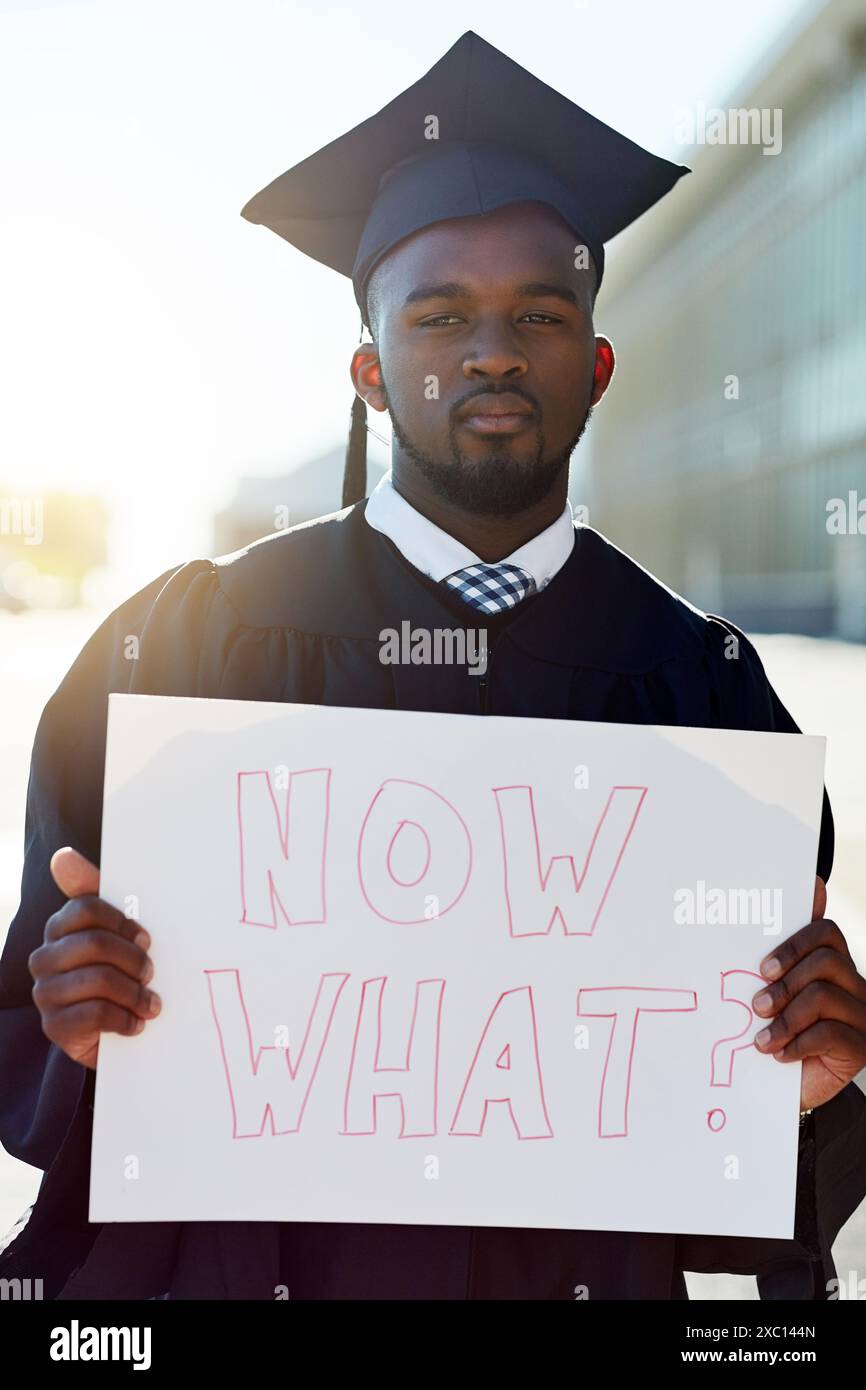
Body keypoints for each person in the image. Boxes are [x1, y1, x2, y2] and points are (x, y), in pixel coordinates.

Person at [1, 30, 865, 1301]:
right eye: (440, 314)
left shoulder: (703, 689)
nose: (492, 351)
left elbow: (720, 1145)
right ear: (369, 372)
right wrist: (73, 1025)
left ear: (595, 369)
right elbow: (36, 1035)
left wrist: (802, 1088)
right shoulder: (180, 646)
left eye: (538, 313)